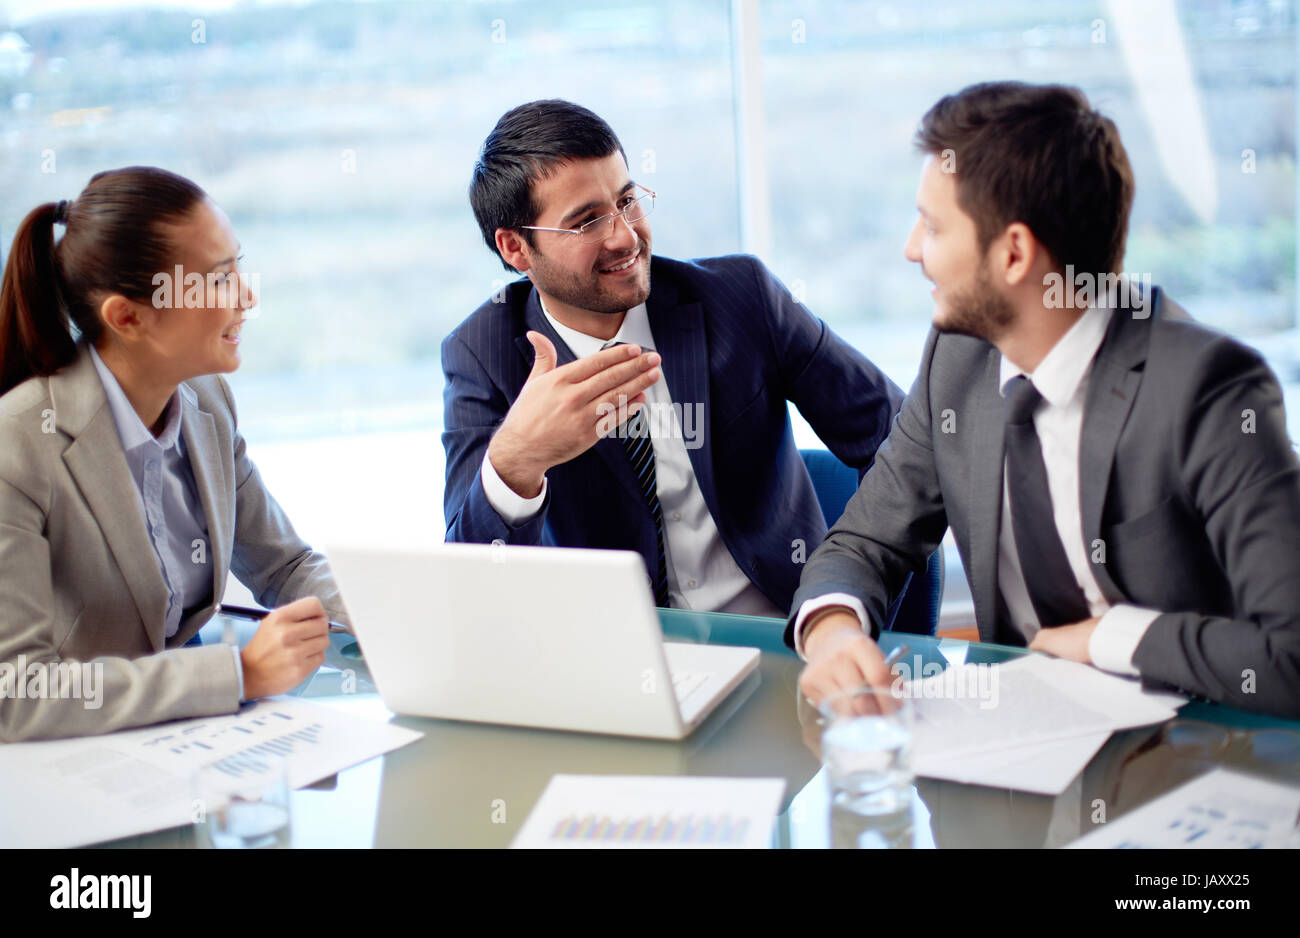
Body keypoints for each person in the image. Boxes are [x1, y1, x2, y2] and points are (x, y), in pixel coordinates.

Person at [791, 81, 1300, 720]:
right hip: (1014, 736)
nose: (912, 248)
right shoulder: (958, 358)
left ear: (1014, 254)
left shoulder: (1208, 387)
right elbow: (865, 541)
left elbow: (1290, 653)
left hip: (1185, 742)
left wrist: (1108, 639)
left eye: (934, 226)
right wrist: (833, 629)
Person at [442, 99, 903, 617]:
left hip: (789, 634)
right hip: (616, 653)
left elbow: (906, 442)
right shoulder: (482, 354)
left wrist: (844, 589)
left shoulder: (742, 297)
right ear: (515, 248)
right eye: (587, 222)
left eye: (627, 200)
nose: (625, 236)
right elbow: (471, 586)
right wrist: (517, 459)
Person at [0, 166, 348, 742]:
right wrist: (238, 673)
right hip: (71, 760)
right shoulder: (18, 444)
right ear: (127, 317)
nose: (247, 297)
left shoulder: (206, 401)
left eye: (238, 267)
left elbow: (284, 566)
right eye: (219, 279)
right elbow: (17, 689)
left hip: (181, 744)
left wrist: (397, 619)